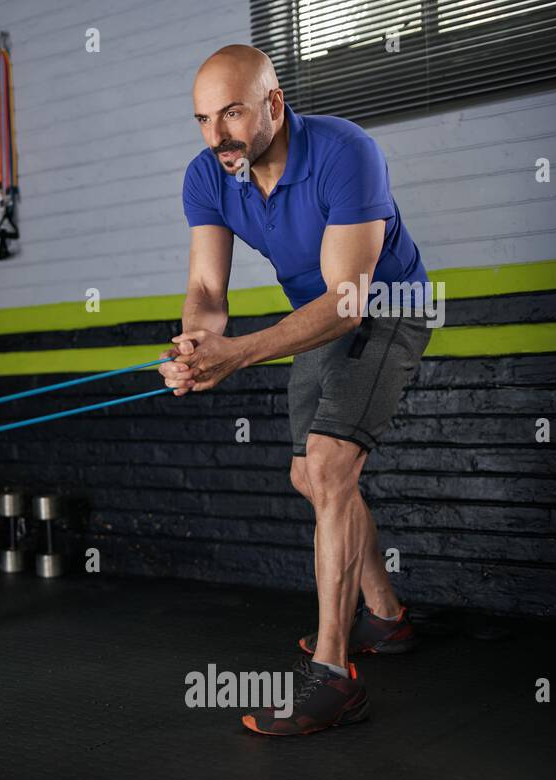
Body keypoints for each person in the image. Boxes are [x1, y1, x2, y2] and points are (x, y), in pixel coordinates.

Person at [161, 45, 431, 735]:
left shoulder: (347, 151)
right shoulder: (208, 176)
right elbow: (204, 289)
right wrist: (194, 345)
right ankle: (388, 619)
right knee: (309, 474)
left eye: (231, 113)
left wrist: (240, 354)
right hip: (314, 316)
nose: (216, 133)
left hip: (386, 304)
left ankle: (335, 676)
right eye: (202, 119)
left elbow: (349, 302)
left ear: (274, 104)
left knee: (333, 462)